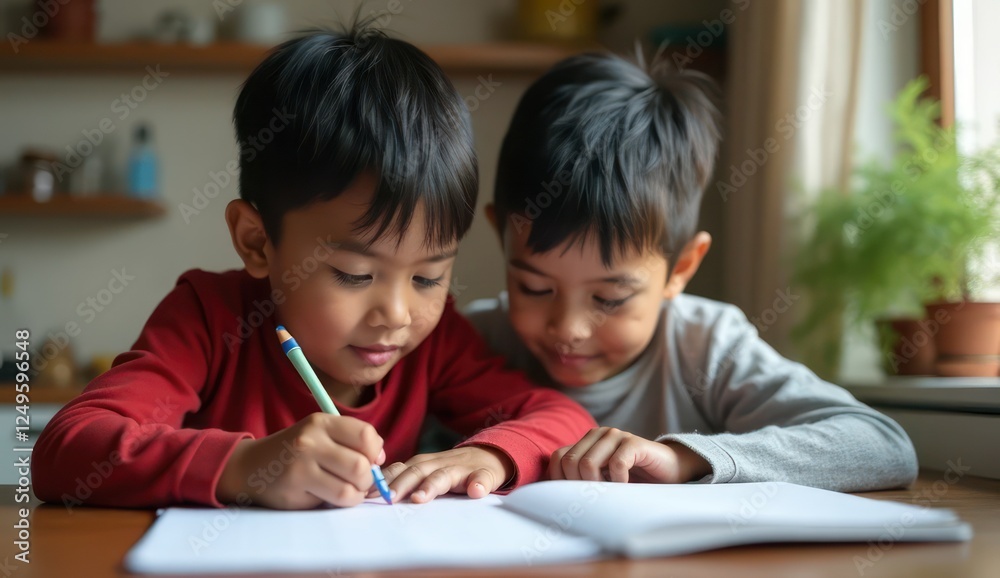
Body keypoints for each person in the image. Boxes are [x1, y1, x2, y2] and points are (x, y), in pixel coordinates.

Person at [31, 24, 596, 510]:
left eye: (428, 277)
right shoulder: (208, 318)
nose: (397, 315)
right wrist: (245, 465)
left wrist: (488, 454)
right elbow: (65, 450)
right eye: (353, 274)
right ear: (256, 242)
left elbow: (562, 417)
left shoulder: (437, 339)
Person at [465, 52, 918, 491]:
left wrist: (685, 458)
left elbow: (882, 445)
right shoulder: (472, 343)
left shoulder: (706, 346)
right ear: (501, 235)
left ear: (681, 267)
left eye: (610, 299)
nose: (569, 328)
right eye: (534, 287)